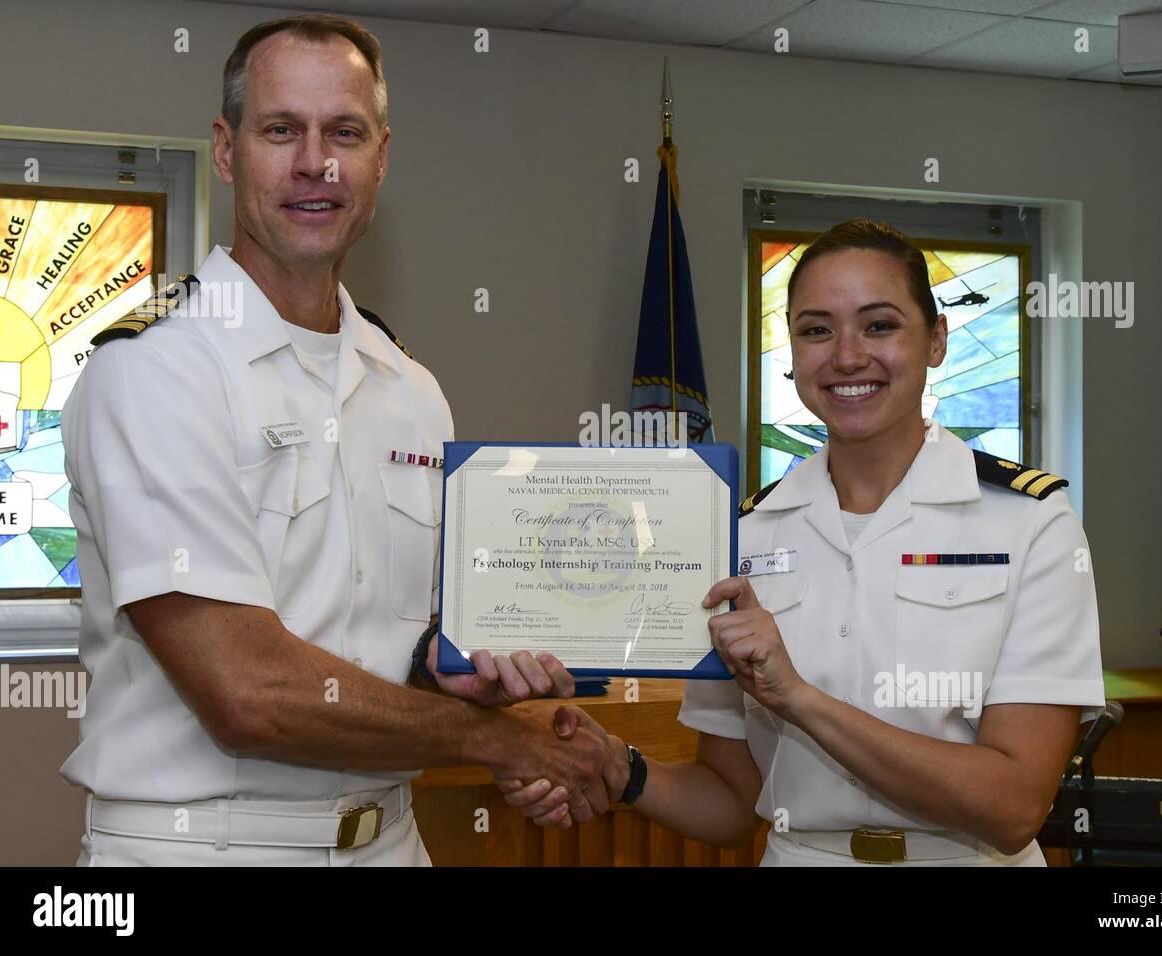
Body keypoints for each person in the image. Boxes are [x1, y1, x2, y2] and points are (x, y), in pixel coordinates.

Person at [61, 14, 605, 866]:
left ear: (381, 157)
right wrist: (503, 742)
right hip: (205, 845)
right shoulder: (156, 373)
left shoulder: (412, 391)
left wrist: (461, 674)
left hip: (389, 837)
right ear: (227, 147)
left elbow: (396, 645)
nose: (315, 164)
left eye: (344, 133)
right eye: (281, 130)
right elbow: (247, 692)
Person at [501, 219, 1106, 865]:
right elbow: (733, 800)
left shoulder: (1029, 524)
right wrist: (621, 766)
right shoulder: (742, 535)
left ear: (936, 340)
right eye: (816, 329)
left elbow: (1013, 807)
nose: (847, 356)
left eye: (879, 325)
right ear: (790, 353)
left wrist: (802, 700)